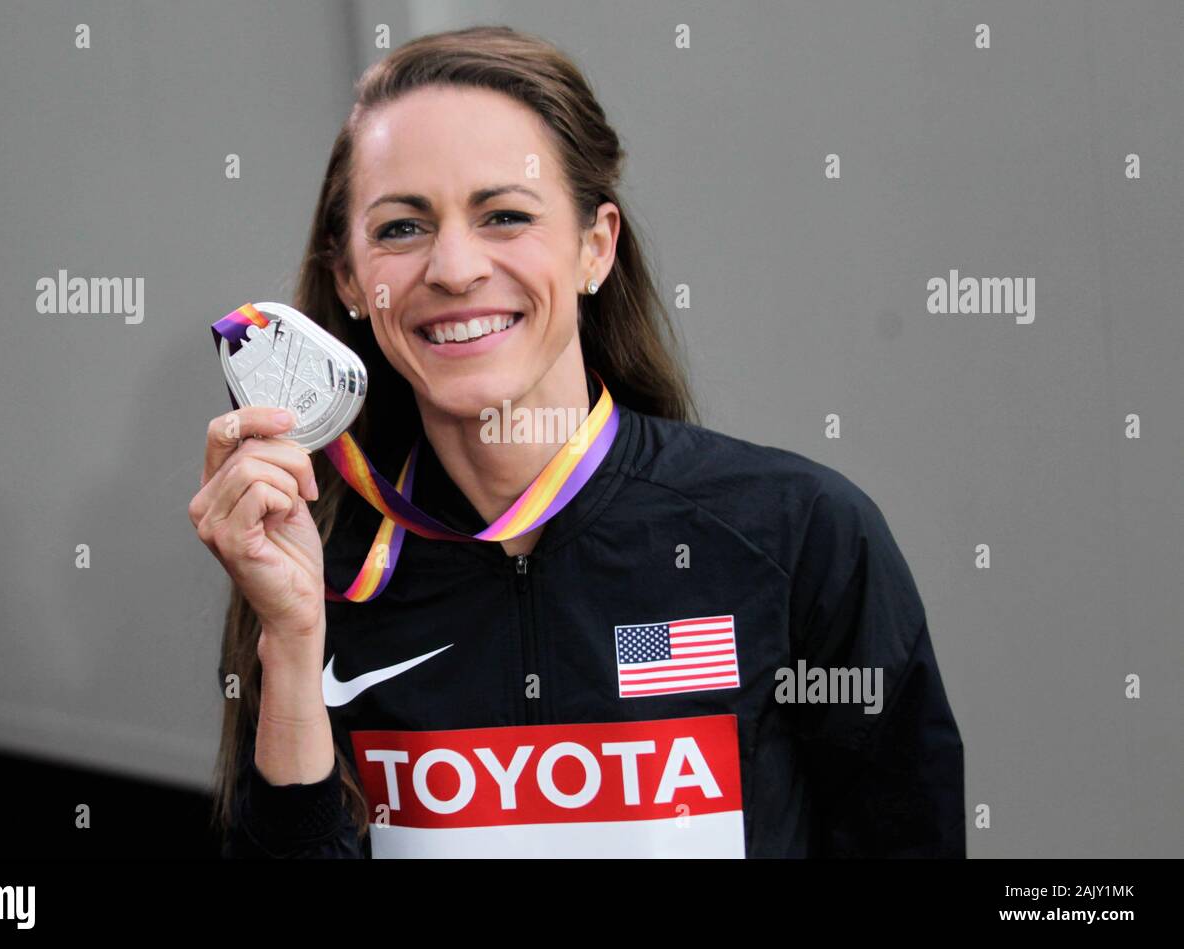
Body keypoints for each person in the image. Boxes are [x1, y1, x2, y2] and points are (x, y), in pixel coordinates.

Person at [189, 25, 965, 858]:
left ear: (595, 247)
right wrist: (295, 645)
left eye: (505, 215)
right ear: (349, 279)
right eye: (402, 229)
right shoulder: (316, 565)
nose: (453, 268)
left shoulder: (801, 534)